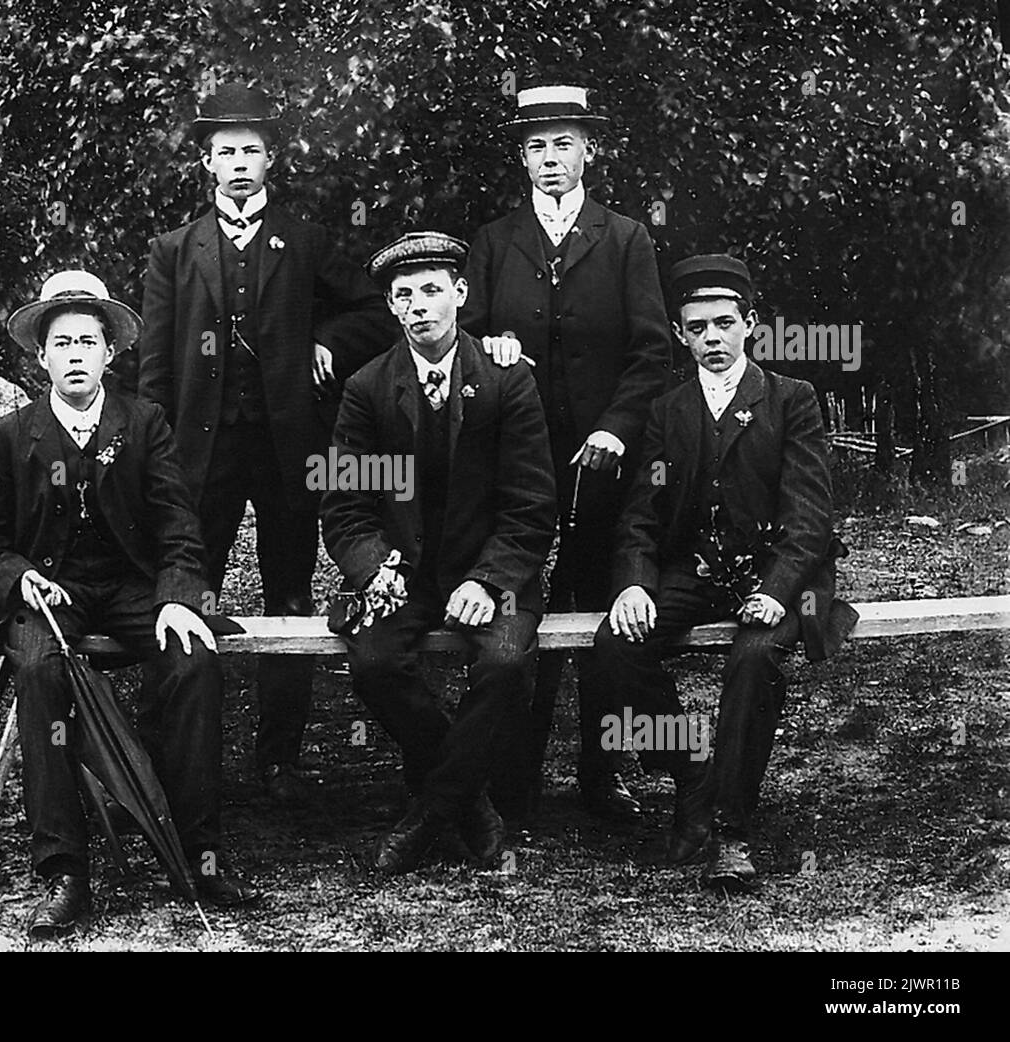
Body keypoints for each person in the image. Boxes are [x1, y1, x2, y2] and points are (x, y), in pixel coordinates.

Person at [0, 270, 256, 939]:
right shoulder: (11, 432)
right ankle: (64, 870)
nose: (76, 354)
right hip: (52, 593)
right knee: (39, 669)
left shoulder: (144, 423)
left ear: (111, 353)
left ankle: (200, 853)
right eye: (62, 343)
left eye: (88, 341)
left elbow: (177, 528)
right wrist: (19, 576)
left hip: (134, 588)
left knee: (193, 660)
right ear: (41, 356)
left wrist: (176, 600)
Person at [137, 83, 394, 801]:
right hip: (203, 451)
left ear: (271, 159)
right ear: (207, 165)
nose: (240, 163)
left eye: (252, 150)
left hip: (289, 449)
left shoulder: (304, 241)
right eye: (227, 153)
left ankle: (280, 760)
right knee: (189, 591)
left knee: (289, 593)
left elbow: (374, 309)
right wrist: (157, 452)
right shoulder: (174, 250)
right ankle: (187, 759)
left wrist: (325, 341)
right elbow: (156, 366)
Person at [594, 253, 857, 891]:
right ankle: (690, 768)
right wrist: (633, 580)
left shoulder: (790, 399)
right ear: (681, 335)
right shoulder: (669, 408)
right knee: (614, 646)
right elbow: (641, 512)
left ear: (750, 325)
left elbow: (809, 519)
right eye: (696, 328)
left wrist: (776, 593)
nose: (711, 339)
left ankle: (731, 829)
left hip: (781, 574)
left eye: (723, 323)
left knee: (753, 658)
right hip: (701, 571)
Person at [462, 83, 672, 822]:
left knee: (596, 604)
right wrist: (488, 348)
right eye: (537, 147)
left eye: (564, 144)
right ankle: (515, 776)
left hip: (601, 458)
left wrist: (616, 426)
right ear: (522, 159)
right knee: (519, 605)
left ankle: (600, 771)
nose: (551, 159)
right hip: (516, 462)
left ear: (590, 150)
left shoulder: (626, 239)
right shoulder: (494, 242)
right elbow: (471, 340)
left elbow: (652, 351)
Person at [321, 231, 556, 873]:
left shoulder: (506, 381)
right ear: (393, 310)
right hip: (409, 577)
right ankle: (473, 802)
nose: (419, 305)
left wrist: (487, 580)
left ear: (460, 294)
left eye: (431, 290)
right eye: (404, 295)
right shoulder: (368, 388)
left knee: (506, 665)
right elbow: (344, 503)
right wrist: (375, 566)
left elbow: (532, 504)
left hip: (495, 573)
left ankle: (431, 810)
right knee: (373, 665)